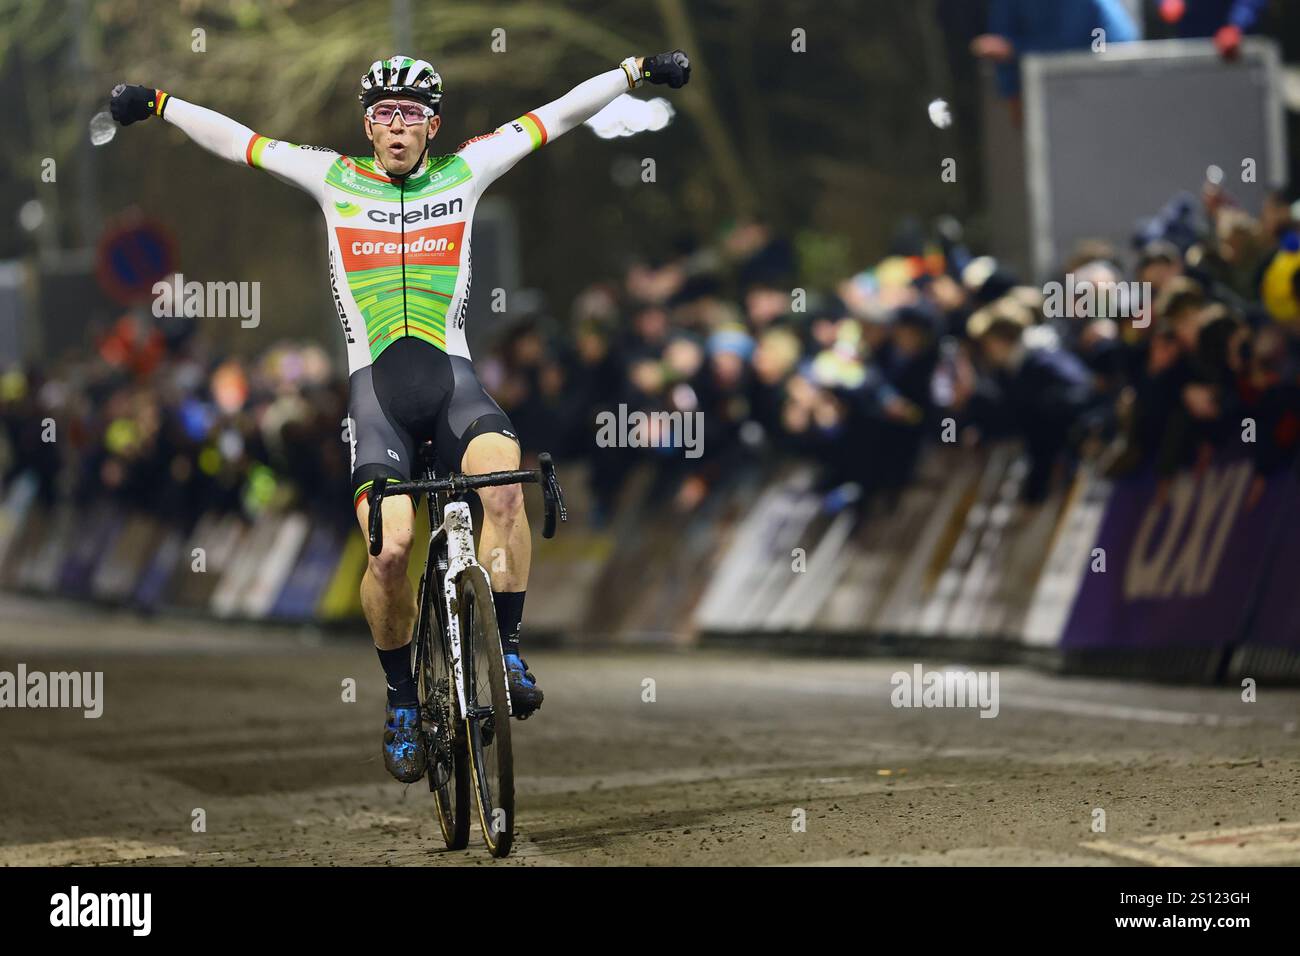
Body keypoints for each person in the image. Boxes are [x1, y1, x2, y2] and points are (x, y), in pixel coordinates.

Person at [109, 49, 691, 783]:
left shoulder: (467, 169)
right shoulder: (333, 178)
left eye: (409, 115)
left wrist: (635, 72)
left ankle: (506, 647)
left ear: (430, 125)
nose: (394, 126)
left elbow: (561, 114)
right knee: (389, 550)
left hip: (454, 386)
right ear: (367, 123)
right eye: (382, 113)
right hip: (376, 397)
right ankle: (403, 700)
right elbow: (240, 140)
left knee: (506, 490)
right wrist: (161, 103)